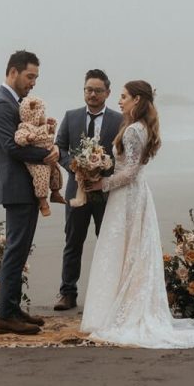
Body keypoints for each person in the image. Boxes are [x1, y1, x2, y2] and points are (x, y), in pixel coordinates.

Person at [80, 79, 194, 349]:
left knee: (125, 249)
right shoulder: (141, 127)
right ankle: (120, 306)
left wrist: (103, 183)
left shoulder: (134, 130)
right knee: (130, 250)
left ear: (137, 100)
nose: (119, 101)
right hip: (135, 195)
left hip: (129, 197)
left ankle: (123, 311)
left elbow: (131, 171)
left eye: (123, 96)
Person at [0, 49, 60, 335]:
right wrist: (46, 154)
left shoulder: (16, 103)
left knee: (21, 250)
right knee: (15, 250)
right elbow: (11, 146)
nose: (33, 83)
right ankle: (5, 315)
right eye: (30, 76)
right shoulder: (0, 105)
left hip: (27, 187)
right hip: (16, 187)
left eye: (36, 77)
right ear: (13, 72)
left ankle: (13, 308)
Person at [52, 69, 123, 311]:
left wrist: (104, 168)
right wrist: (74, 167)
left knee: (108, 242)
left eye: (97, 90)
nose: (92, 94)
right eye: (88, 90)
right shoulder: (71, 116)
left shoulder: (119, 119)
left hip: (106, 192)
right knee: (73, 241)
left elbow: (123, 156)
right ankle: (67, 292)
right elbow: (59, 148)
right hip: (77, 192)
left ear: (108, 93)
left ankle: (110, 292)